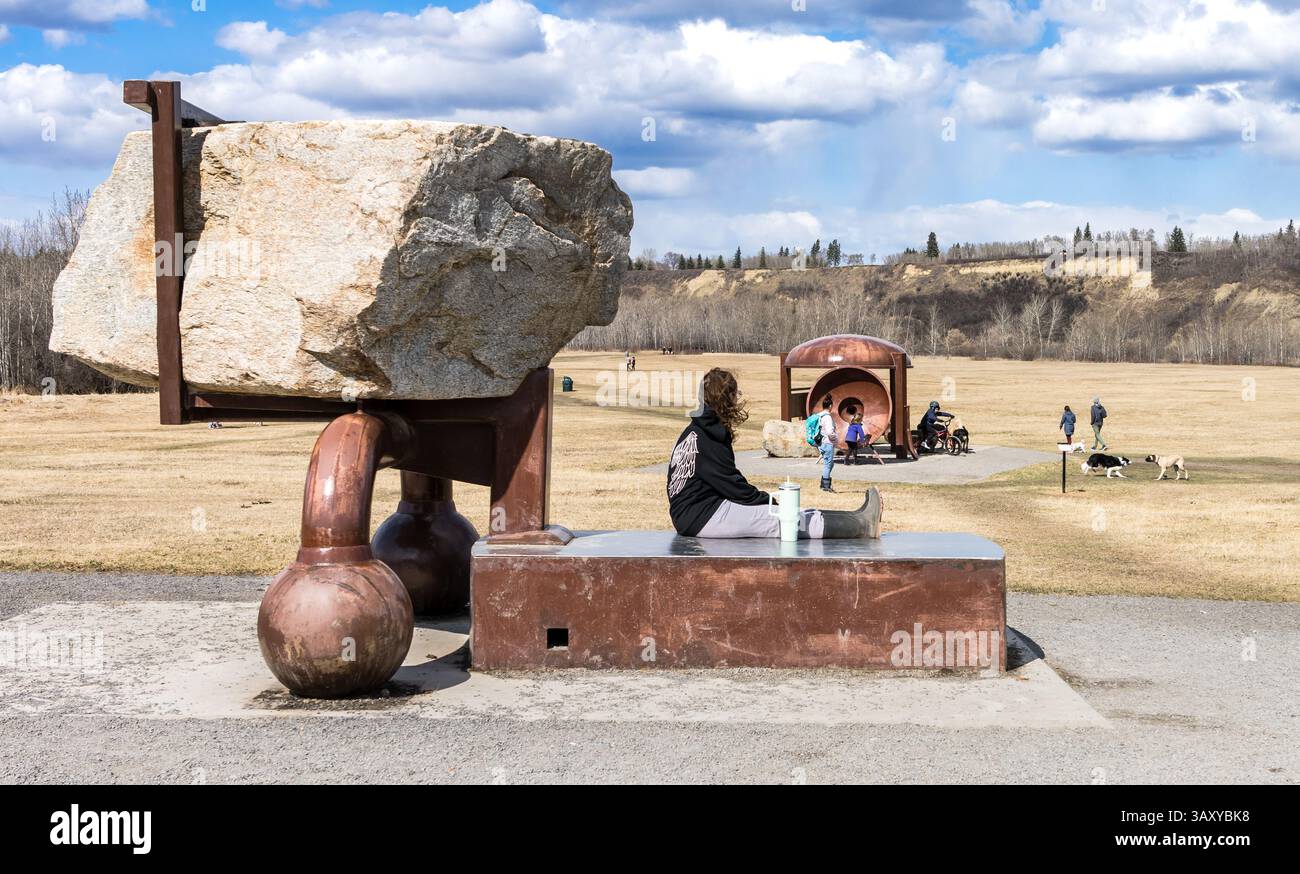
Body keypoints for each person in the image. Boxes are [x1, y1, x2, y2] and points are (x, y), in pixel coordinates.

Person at [666, 368, 882, 539]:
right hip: (702, 516)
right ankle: (863, 525)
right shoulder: (706, 438)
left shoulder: (695, 431)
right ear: (726, 400)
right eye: (734, 395)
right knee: (784, 520)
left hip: (696, 513)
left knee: (788, 514)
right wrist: (767, 501)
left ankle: (856, 517)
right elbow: (733, 486)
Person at [815, 395, 838, 491]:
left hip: (821, 443)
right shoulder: (827, 417)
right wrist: (835, 438)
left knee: (830, 463)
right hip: (827, 443)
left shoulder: (819, 415)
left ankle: (824, 482)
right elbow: (829, 432)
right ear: (830, 406)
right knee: (828, 464)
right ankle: (826, 486)